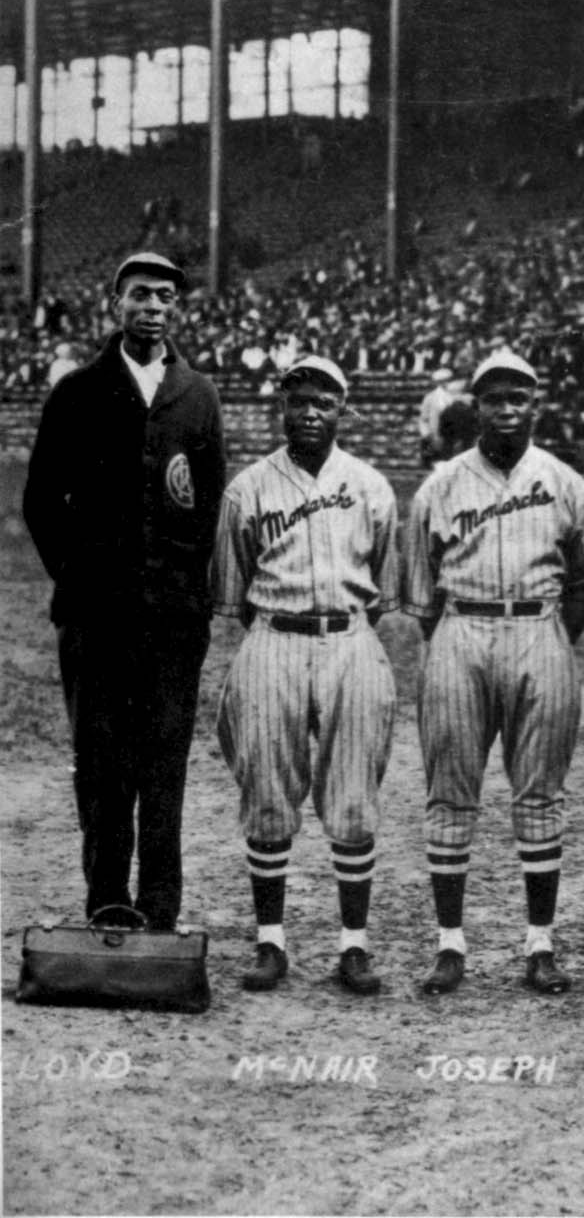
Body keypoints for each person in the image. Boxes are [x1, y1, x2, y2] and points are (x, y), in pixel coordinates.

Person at [400, 347, 584, 994]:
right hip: (461, 627)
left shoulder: (568, 484)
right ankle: (450, 945)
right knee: (450, 793)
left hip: (539, 627)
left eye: (518, 397)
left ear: (535, 405)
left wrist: (550, 634)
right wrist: (457, 634)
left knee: (541, 795)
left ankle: (540, 945)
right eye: (494, 398)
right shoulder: (440, 486)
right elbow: (420, 592)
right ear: (477, 407)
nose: (507, 409)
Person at [29, 252, 225, 939]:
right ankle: (109, 900)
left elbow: (208, 504)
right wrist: (79, 578)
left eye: (165, 297)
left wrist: (185, 588)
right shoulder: (77, 391)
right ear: (115, 303)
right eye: (140, 294)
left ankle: (161, 906)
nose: (153, 307)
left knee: (165, 763)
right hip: (97, 618)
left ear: (176, 307)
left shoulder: (197, 395)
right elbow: (41, 502)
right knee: (103, 764)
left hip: (172, 620)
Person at [212, 349, 410, 993]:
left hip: (350, 637)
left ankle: (354, 946)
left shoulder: (371, 486)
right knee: (268, 793)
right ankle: (270, 943)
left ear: (342, 409)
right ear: (282, 407)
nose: (309, 413)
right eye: (298, 400)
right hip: (273, 636)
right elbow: (235, 593)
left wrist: (339, 628)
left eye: (323, 402)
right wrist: (280, 628)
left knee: (352, 798)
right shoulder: (247, 488)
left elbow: (382, 586)